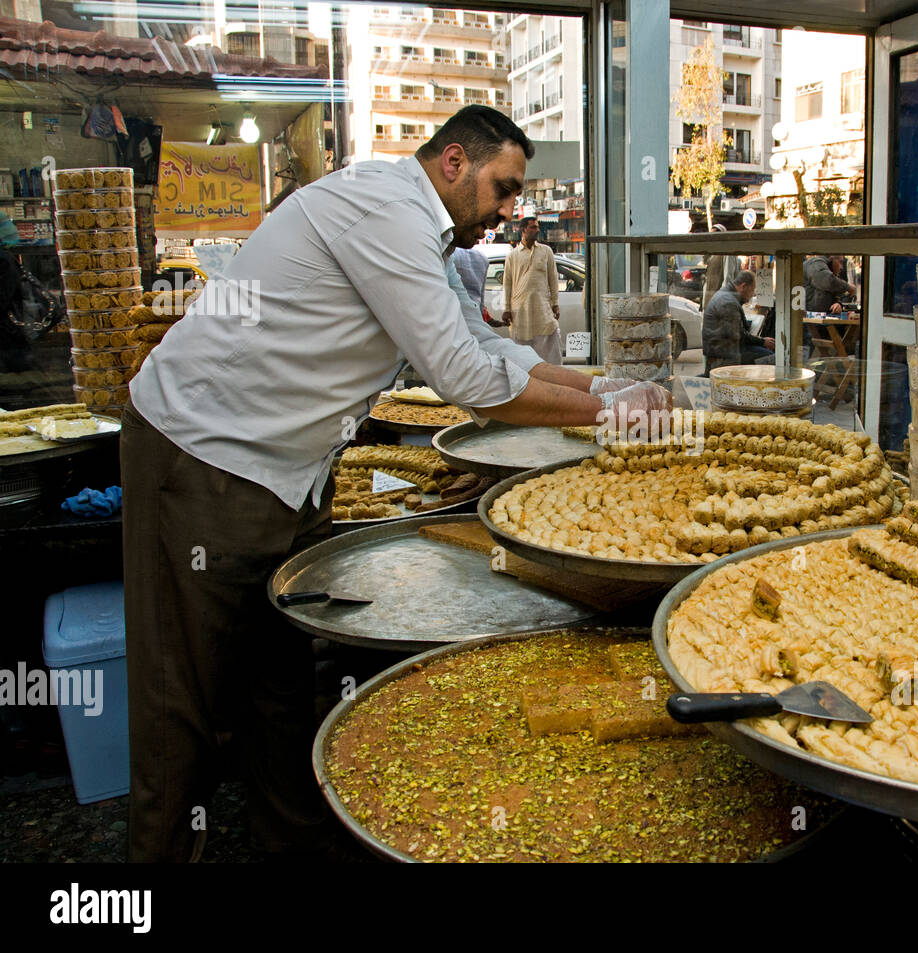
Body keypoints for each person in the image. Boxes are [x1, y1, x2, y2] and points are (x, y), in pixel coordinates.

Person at [120, 105, 668, 863]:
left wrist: (599, 386)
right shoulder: (387, 211)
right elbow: (467, 379)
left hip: (294, 472)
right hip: (203, 453)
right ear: (453, 162)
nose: (510, 209)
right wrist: (606, 414)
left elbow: (478, 341)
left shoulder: (430, 231)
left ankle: (290, 848)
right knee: (182, 702)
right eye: (503, 187)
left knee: (279, 689)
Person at [501, 216, 560, 362]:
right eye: (533, 227)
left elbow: (553, 278)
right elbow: (507, 283)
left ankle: (552, 376)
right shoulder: (513, 255)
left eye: (537, 227)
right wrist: (506, 309)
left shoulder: (546, 251)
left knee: (550, 337)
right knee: (521, 348)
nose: (537, 230)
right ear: (523, 229)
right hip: (520, 310)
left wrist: (555, 303)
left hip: (542, 308)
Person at [702, 270, 774, 374]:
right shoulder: (728, 302)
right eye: (752, 290)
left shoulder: (726, 295)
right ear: (743, 286)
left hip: (723, 349)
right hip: (725, 354)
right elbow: (738, 335)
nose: (752, 294)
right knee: (771, 358)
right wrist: (762, 341)